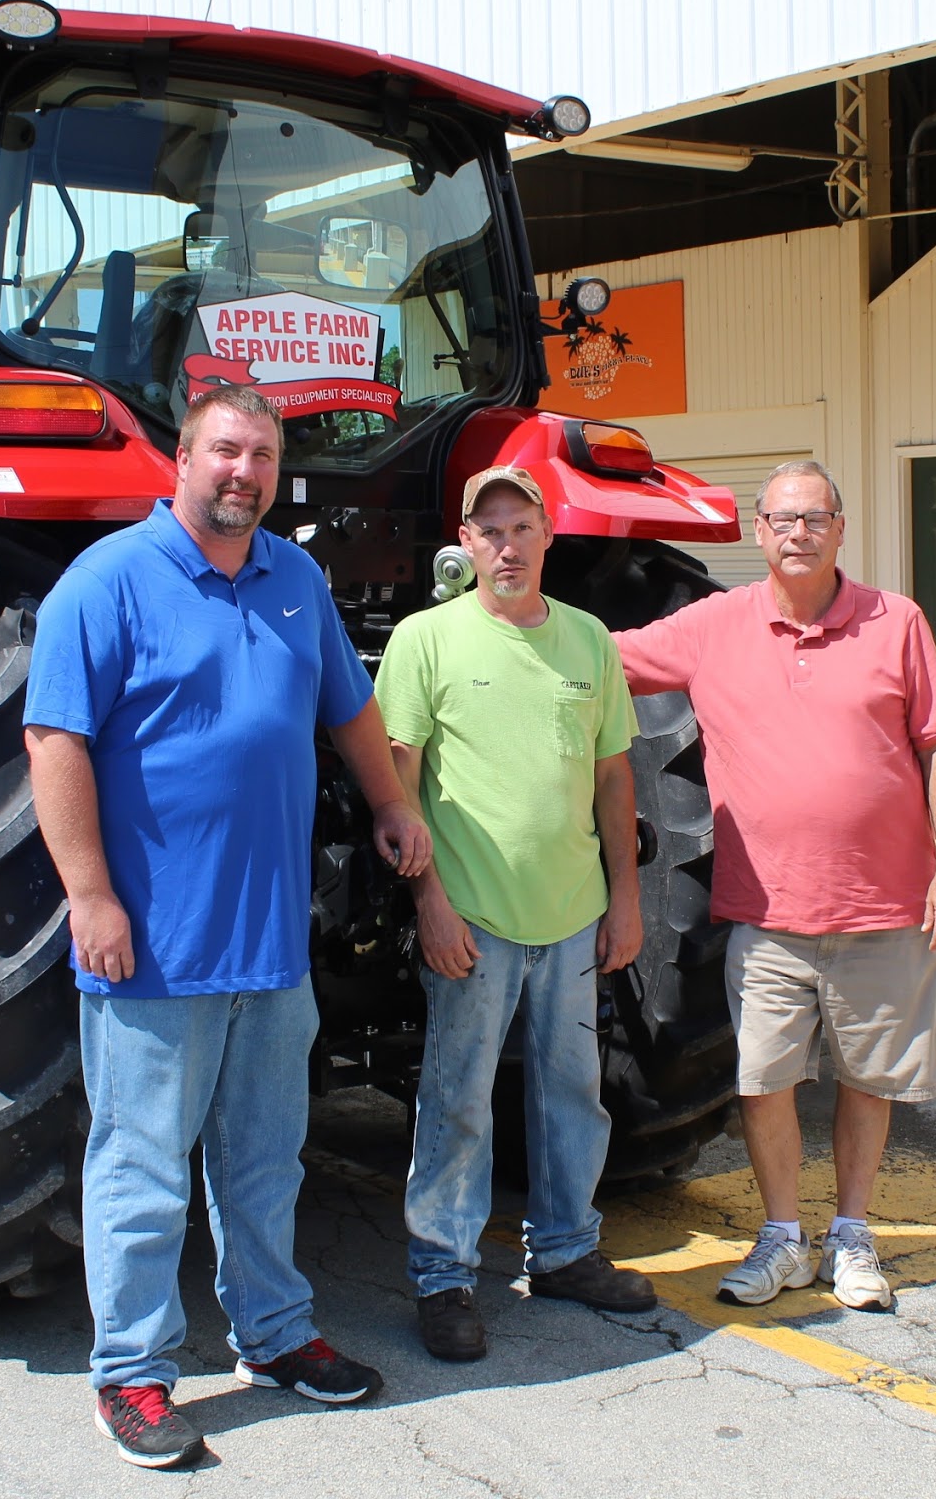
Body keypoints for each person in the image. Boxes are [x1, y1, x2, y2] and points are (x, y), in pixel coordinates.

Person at [23, 384, 431, 1469]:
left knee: (265, 1158)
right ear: (182, 460)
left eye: (259, 455)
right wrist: (91, 894)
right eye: (223, 450)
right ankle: (134, 1374)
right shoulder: (105, 583)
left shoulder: (295, 578)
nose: (241, 471)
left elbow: (347, 705)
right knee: (143, 1166)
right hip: (153, 944)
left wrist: (390, 801)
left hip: (268, 944)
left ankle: (276, 1333)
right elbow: (53, 741)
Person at [615, 460, 936, 1312]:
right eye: (781, 520)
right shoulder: (714, 625)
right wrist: (501, 616)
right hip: (766, 914)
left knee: (869, 1078)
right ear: (758, 532)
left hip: (884, 907)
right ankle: (782, 1237)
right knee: (763, 1080)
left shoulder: (898, 622)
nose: (797, 534)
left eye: (814, 519)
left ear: (840, 529)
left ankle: (850, 1233)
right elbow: (600, 659)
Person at [375, 465, 658, 1364]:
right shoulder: (426, 641)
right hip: (474, 918)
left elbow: (615, 780)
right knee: (457, 1099)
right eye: (488, 529)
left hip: (574, 916)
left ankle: (567, 1249)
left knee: (574, 1092)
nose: (506, 545)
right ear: (465, 543)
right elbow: (400, 783)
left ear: (547, 537)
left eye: (521, 527)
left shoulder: (588, 644)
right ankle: (444, 1274)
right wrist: (430, 903)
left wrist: (627, 900)